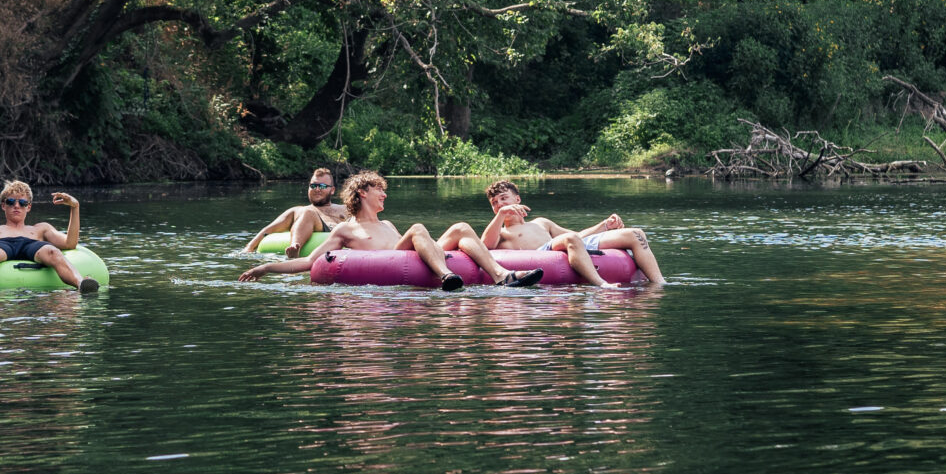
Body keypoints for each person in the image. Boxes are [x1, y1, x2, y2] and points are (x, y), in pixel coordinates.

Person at [239, 170, 538, 290]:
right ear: (362, 194)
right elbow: (308, 262)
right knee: (418, 227)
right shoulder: (345, 231)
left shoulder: (388, 224)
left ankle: (502, 275)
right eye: (379, 190)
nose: (384, 195)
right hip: (391, 261)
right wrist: (266, 267)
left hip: (411, 254)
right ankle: (446, 276)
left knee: (460, 227)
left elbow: (411, 247)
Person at [475, 179, 665, 289]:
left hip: (561, 244)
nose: (499, 204)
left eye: (503, 199)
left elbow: (578, 236)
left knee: (635, 233)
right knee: (569, 239)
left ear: (517, 199)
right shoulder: (501, 231)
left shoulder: (541, 222)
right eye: (494, 203)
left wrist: (604, 225)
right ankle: (601, 284)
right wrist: (501, 215)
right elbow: (486, 246)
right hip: (542, 254)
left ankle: (659, 283)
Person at [0, 181, 98, 294]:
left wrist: (75, 207)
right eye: (11, 201)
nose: (16, 206)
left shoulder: (40, 229)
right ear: (3, 205)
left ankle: (81, 283)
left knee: (53, 251)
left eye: (22, 202)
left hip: (32, 245)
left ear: (28, 207)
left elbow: (70, 243)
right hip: (2, 246)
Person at [244, 167, 348, 257]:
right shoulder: (299, 211)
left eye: (322, 186)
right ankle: (295, 248)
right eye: (313, 186)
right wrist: (249, 248)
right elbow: (268, 230)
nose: (317, 189)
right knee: (308, 212)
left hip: (344, 238)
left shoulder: (345, 208)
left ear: (332, 190)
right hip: (321, 234)